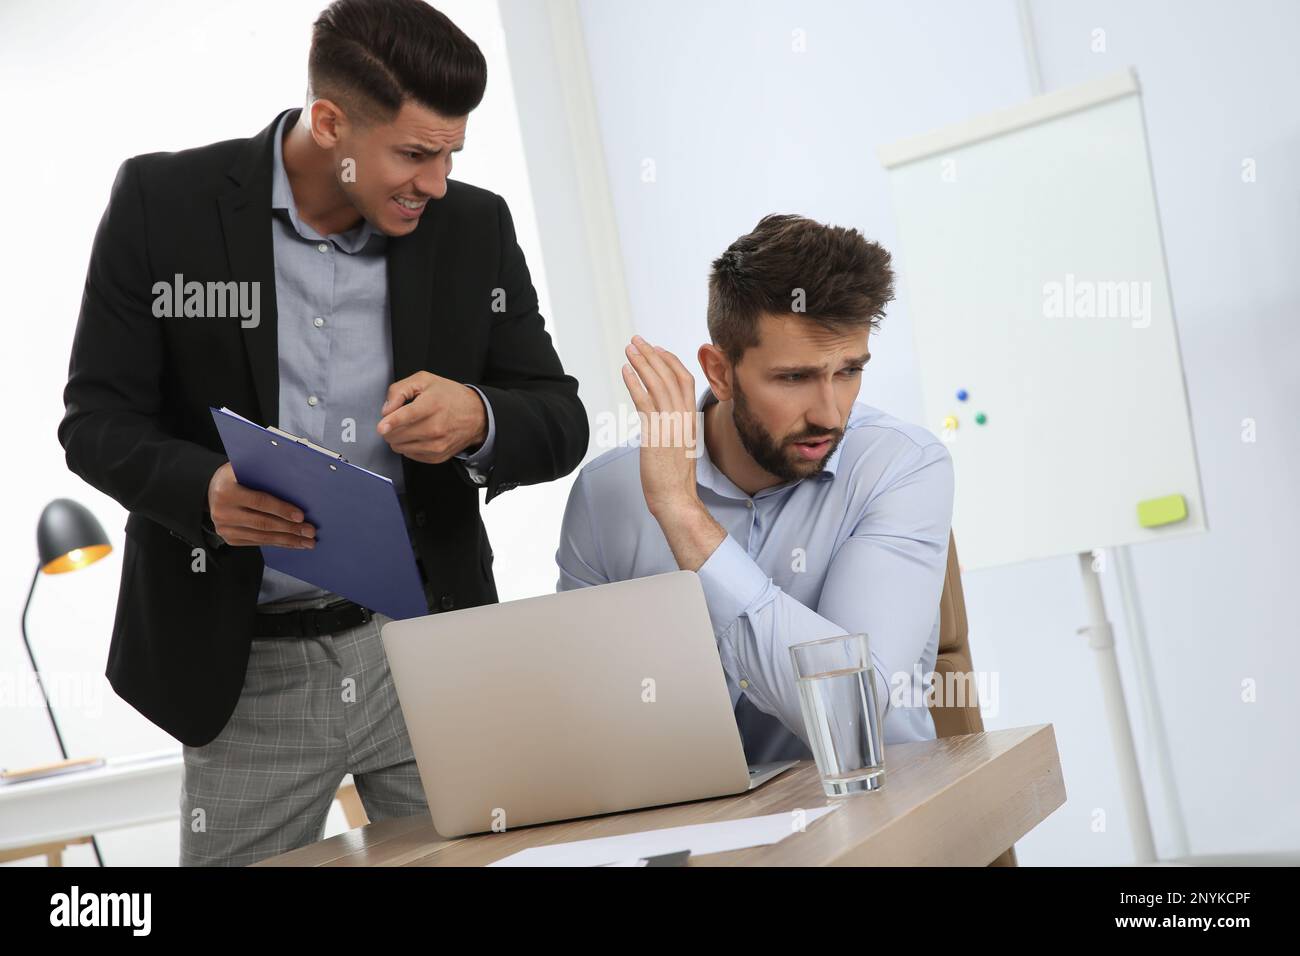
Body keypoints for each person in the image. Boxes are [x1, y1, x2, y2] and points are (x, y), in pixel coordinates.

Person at [59, 0, 587, 865]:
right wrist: (204, 493)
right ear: (331, 122)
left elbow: (559, 415)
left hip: (424, 650)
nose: (438, 183)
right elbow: (95, 421)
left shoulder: (472, 227)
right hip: (243, 670)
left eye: (452, 152)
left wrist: (479, 417)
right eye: (415, 155)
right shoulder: (164, 205)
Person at [556, 213, 952, 763]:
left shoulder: (900, 466)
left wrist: (682, 513)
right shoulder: (607, 493)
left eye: (848, 371)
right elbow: (585, 721)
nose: (829, 413)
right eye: (794, 378)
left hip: (876, 811)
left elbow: (849, 713)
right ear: (719, 373)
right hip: (693, 828)